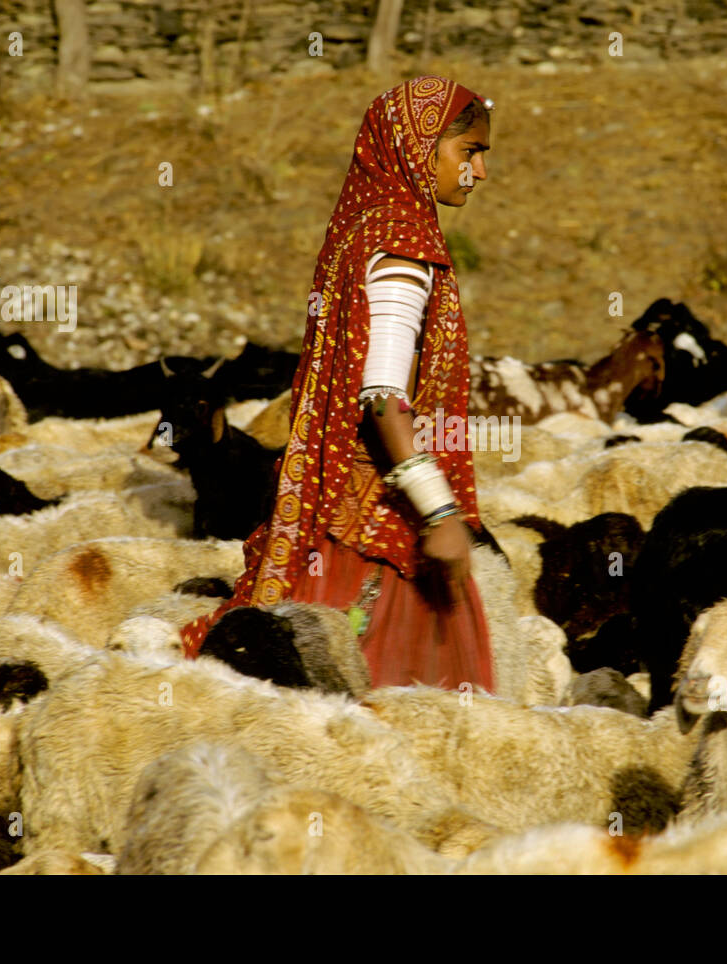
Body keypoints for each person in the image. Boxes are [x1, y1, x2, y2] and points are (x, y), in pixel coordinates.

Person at [181, 76, 495, 693]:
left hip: (333, 514)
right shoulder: (404, 249)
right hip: (377, 526)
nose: (481, 171)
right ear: (418, 148)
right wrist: (439, 511)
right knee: (382, 714)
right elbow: (380, 398)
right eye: (470, 153)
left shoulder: (363, 232)